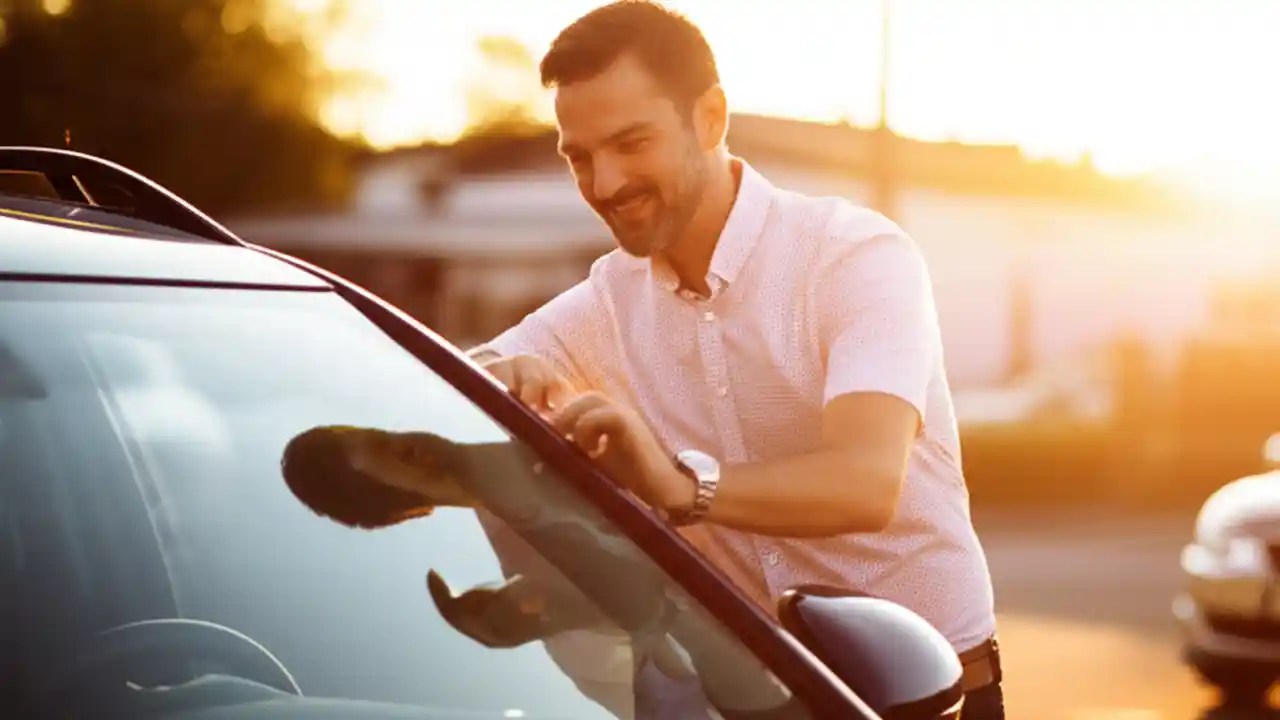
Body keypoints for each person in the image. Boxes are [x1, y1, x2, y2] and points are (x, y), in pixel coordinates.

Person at [468, 2, 1004, 717]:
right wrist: (497, 377)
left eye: (632, 143)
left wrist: (680, 487)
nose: (604, 183)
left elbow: (866, 483)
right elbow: (442, 377)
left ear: (711, 118)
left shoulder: (856, 257)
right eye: (580, 157)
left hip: (925, 698)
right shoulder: (605, 302)